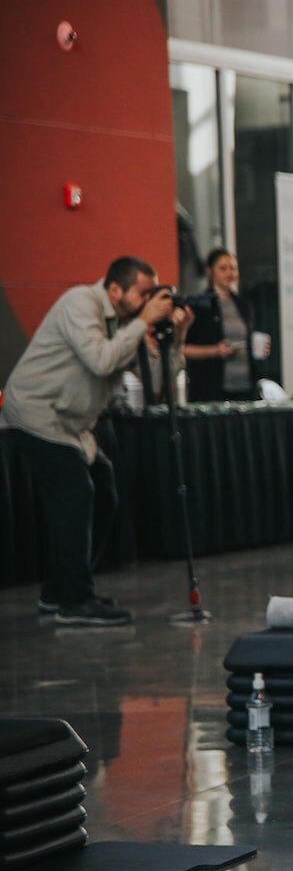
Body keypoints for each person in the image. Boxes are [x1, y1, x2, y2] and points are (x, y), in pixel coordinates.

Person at [0, 257, 191, 626]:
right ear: (115, 289)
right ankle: (75, 600)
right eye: (143, 293)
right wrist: (141, 323)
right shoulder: (80, 303)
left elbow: (154, 387)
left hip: (73, 423)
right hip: (38, 411)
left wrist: (177, 337)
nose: (150, 300)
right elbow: (100, 360)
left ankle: (59, 591)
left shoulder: (127, 323)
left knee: (103, 492)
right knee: (77, 493)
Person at [181, 248, 266, 402]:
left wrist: (258, 348)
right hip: (212, 388)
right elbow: (183, 349)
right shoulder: (200, 305)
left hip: (245, 386)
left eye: (233, 268)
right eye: (223, 268)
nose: (229, 273)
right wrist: (215, 350)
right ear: (210, 272)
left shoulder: (244, 305)